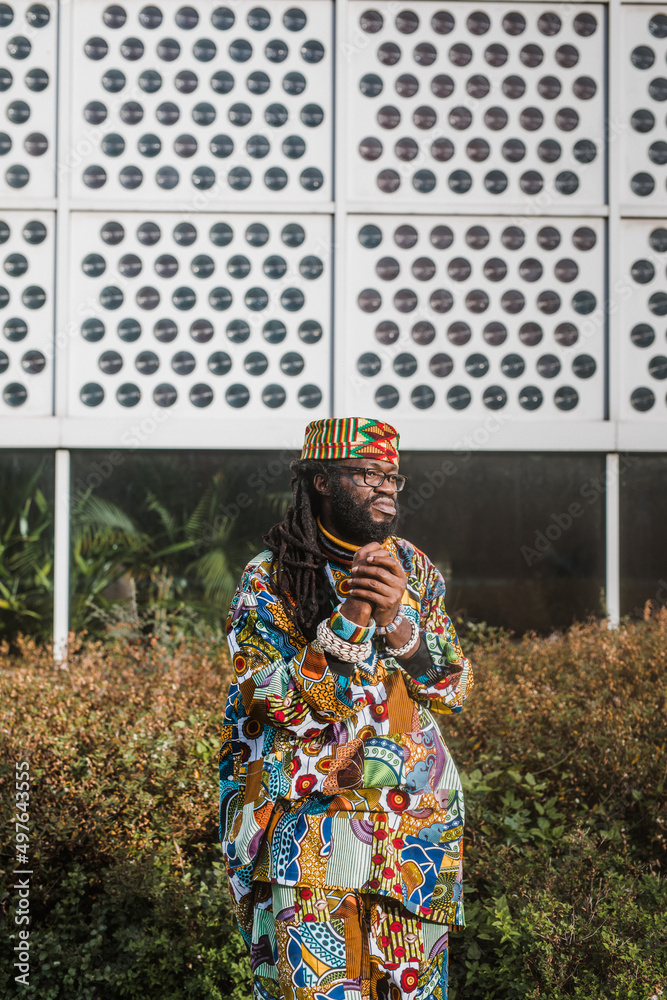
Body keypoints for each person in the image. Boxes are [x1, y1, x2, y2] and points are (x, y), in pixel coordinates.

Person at [219, 417, 474, 1000]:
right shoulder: (269, 579)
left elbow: (453, 684)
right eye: (367, 473)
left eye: (392, 476)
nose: (386, 486)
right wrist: (352, 618)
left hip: (413, 834)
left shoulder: (415, 568)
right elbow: (271, 703)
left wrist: (397, 623)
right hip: (310, 829)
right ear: (322, 481)